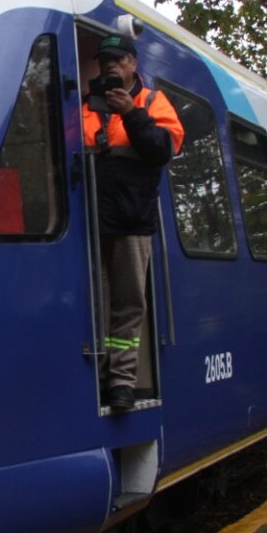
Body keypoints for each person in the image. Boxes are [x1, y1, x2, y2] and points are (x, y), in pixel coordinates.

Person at [81, 33, 185, 412]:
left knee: (128, 305)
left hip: (131, 221)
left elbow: (162, 151)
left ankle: (121, 382)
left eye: (118, 59)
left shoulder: (153, 102)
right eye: (104, 59)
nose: (109, 65)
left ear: (133, 64)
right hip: (87, 225)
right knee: (93, 303)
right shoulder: (84, 106)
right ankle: (92, 377)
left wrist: (130, 113)